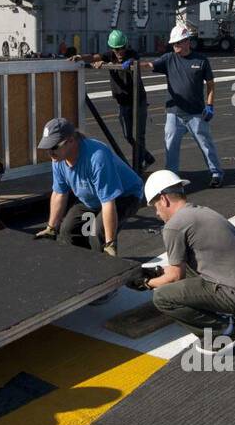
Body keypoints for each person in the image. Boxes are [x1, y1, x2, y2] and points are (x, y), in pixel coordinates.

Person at [135, 169, 235, 348]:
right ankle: (222, 313)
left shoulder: (174, 226)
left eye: (155, 206)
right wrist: (158, 272)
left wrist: (146, 284)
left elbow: (175, 276)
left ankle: (223, 331)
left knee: (162, 298)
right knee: (187, 265)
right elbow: (182, 268)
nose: (157, 213)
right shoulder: (200, 212)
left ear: (164, 199)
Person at [33, 117, 144, 256]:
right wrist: (51, 228)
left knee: (96, 234)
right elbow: (59, 193)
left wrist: (110, 243)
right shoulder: (58, 159)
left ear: (71, 141)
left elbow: (108, 202)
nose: (50, 153)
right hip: (93, 199)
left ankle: (104, 271)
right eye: (47, 148)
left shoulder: (97, 157)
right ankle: (80, 267)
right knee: (68, 231)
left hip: (125, 196)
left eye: (54, 147)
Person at [148, 23, 223, 188]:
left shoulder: (201, 61)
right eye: (173, 43)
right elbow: (150, 65)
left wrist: (210, 106)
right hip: (174, 114)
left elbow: (210, 84)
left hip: (196, 113)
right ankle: (172, 179)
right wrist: (132, 64)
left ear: (187, 41)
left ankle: (216, 173)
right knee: (170, 148)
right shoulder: (168, 59)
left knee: (206, 145)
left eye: (178, 42)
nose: (175, 46)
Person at [76, 29, 154, 167]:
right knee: (128, 135)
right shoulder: (109, 55)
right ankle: (147, 157)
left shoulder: (131, 54)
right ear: (112, 48)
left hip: (138, 101)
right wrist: (80, 57)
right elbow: (94, 57)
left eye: (121, 48)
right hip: (123, 102)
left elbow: (135, 59)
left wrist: (127, 63)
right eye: (116, 49)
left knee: (138, 135)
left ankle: (139, 164)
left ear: (126, 46)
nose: (119, 52)